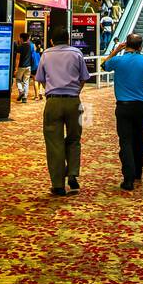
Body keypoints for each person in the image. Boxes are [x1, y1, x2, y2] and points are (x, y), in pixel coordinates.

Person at [35, 28, 90, 197]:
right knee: (74, 138)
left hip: (53, 101)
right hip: (74, 101)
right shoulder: (77, 53)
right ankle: (72, 173)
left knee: (54, 143)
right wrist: (75, 92)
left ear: (51, 41)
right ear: (68, 39)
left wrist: (51, 92)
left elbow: (40, 79)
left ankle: (58, 185)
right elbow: (84, 78)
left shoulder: (46, 54)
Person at [103, 33, 143, 191]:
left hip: (123, 106)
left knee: (125, 141)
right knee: (138, 140)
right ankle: (138, 173)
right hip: (140, 106)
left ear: (126, 45)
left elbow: (104, 65)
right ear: (140, 46)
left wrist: (115, 50)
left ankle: (128, 178)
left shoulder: (118, 60)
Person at [12, 30, 34, 103]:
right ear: (28, 38)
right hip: (29, 66)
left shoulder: (20, 47)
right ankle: (24, 98)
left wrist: (15, 68)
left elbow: (17, 58)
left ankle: (21, 91)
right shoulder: (30, 46)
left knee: (18, 79)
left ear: (21, 38)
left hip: (21, 66)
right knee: (26, 81)